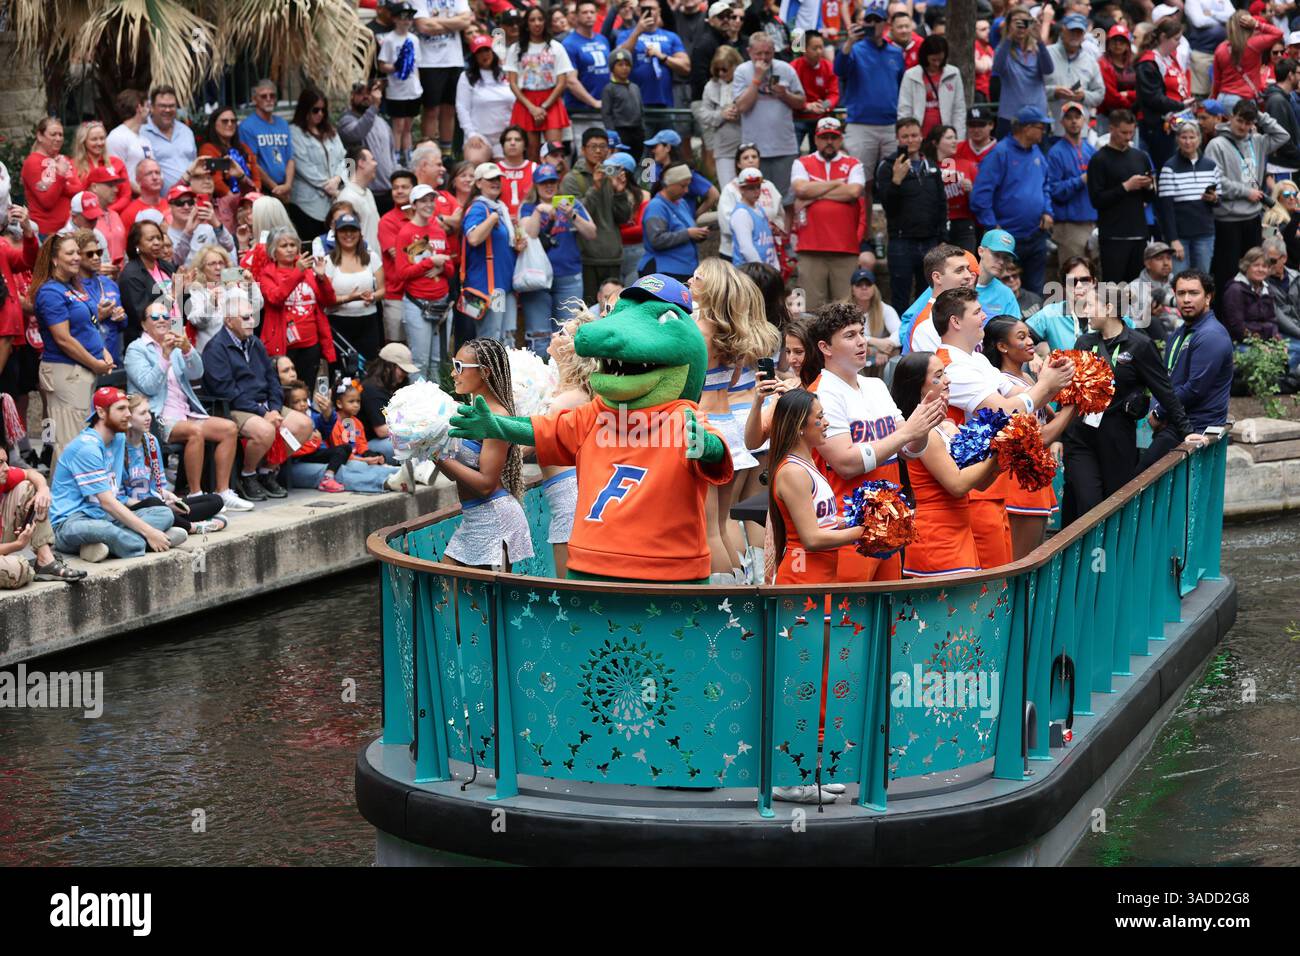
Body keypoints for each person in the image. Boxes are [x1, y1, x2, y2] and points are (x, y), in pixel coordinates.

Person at [932, 287, 1074, 567]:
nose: (984, 316)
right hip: (973, 488)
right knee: (998, 575)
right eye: (977, 312)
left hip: (991, 482)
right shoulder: (950, 365)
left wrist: (1059, 378)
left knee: (1012, 568)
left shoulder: (978, 359)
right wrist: (1047, 385)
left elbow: (1022, 398)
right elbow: (1004, 411)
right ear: (955, 322)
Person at [804, 301, 945, 583]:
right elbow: (845, 463)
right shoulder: (821, 394)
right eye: (849, 336)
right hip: (847, 526)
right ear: (825, 348)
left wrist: (924, 426)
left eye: (861, 332)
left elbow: (907, 451)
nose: (861, 341)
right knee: (850, 621)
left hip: (889, 521)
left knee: (886, 619)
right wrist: (907, 433)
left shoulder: (876, 386)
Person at [1062, 283, 1198, 524]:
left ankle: (1113, 560)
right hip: (1081, 435)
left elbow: (1164, 390)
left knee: (1115, 504)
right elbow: (1071, 393)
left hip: (1116, 435)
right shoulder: (1084, 342)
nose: (1085, 311)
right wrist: (1057, 437)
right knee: (1088, 503)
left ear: (1109, 308)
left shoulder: (1139, 344)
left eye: (1090, 305)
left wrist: (1187, 431)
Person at [691, 259, 780, 582]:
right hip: (729, 421)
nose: (690, 280)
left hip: (708, 427)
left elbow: (690, 385)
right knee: (724, 523)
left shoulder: (698, 331)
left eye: (697, 277)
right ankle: (747, 587)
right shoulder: (735, 329)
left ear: (710, 287)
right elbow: (731, 384)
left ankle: (726, 604)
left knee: (711, 526)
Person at [887, 350, 1000, 577]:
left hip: (958, 531)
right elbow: (956, 485)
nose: (947, 380)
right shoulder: (922, 432)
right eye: (938, 376)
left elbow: (979, 484)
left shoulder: (943, 426)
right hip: (937, 538)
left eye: (945, 373)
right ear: (918, 386)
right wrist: (997, 453)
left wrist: (1004, 455)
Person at [48, 386, 183, 562]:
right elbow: (108, 502)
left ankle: (106, 546)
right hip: (71, 523)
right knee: (104, 530)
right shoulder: (87, 448)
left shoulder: (118, 438)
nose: (128, 414)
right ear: (101, 413)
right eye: (121, 409)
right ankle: (145, 543)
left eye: (128, 408)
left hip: (104, 516)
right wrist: (149, 532)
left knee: (163, 513)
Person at [435, 337, 533, 570]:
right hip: (474, 518)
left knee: (486, 604)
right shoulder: (473, 411)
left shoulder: (497, 417)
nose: (452, 374)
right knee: (448, 601)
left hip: (494, 520)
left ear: (485, 372)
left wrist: (440, 455)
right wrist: (427, 446)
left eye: (459, 367)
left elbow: (486, 484)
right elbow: (456, 475)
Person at [201, 302, 314, 502]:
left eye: (252, 316)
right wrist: (263, 413)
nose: (252, 321)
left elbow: (273, 380)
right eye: (245, 318)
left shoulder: (255, 343)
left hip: (264, 405)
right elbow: (226, 391)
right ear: (228, 321)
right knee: (264, 430)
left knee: (303, 424)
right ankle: (248, 475)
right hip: (234, 407)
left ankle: (267, 470)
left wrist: (275, 408)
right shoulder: (215, 348)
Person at [982, 317, 1075, 558]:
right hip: (1019, 480)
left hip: (1035, 475)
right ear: (1002, 347)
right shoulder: (1003, 381)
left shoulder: (1029, 380)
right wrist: (1075, 406)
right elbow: (1041, 437)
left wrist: (1074, 388)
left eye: (1029, 336)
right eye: (1021, 338)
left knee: (1032, 560)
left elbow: (1052, 421)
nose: (1030, 342)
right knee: (1020, 562)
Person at [768, 387, 864, 586]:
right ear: (799, 426)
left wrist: (859, 519)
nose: (827, 423)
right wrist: (864, 532)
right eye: (820, 417)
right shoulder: (793, 472)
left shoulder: (808, 462)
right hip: (802, 578)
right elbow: (811, 538)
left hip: (821, 576)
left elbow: (824, 521)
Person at [32, 233, 112, 470]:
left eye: (78, 252)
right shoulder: (49, 292)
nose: (77, 257)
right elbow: (63, 339)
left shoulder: (73, 287)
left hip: (83, 370)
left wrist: (103, 353)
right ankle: (58, 504)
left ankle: (66, 503)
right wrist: (95, 363)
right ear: (54, 259)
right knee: (70, 444)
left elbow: (88, 325)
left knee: (78, 442)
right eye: (70, 253)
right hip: (66, 372)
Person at [1142, 269, 1232, 467]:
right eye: (1181, 293)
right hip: (1175, 421)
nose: (1186, 299)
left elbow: (1195, 388)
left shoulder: (1211, 335)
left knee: (1137, 479)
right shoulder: (1181, 331)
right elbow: (1167, 379)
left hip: (1195, 427)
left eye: (1193, 293)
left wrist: (1159, 412)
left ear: (1208, 297)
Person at [835, 2, 906, 243]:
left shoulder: (896, 52)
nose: (872, 25)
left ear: (885, 24)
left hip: (889, 124)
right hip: (860, 124)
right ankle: (861, 236)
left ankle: (895, 231)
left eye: (877, 20)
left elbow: (900, 84)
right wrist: (847, 44)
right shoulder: (854, 48)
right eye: (869, 20)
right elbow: (840, 70)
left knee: (892, 179)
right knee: (861, 182)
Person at [1205, 99, 1290, 296]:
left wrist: (1259, 114)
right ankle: (1224, 317)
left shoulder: (1257, 141)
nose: (1243, 127)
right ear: (1231, 117)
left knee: (1253, 272)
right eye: (1240, 121)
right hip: (1227, 219)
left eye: (1248, 122)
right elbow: (1216, 180)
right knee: (1227, 273)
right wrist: (1245, 192)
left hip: (1252, 218)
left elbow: (1283, 135)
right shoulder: (1217, 144)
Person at [969, 105, 1053, 296]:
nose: (1044, 131)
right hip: (1006, 240)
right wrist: (992, 225)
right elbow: (980, 196)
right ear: (1026, 128)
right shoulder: (1000, 153)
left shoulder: (1037, 152)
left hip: (1036, 234)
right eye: (1041, 127)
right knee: (1002, 291)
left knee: (1035, 293)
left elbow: (1046, 185)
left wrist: (1048, 211)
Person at [119, 392, 227, 533]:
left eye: (149, 412)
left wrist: (172, 499)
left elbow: (158, 486)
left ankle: (175, 521)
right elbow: (120, 498)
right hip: (135, 509)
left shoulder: (151, 441)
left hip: (159, 504)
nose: (148, 418)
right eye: (142, 413)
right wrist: (162, 507)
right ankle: (192, 527)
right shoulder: (119, 446)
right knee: (156, 504)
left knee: (215, 500)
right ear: (129, 417)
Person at [519, 164, 595, 353]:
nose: (549, 186)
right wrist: (538, 211)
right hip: (537, 279)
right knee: (539, 336)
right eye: (544, 182)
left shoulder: (571, 204)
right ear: (536, 185)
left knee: (567, 334)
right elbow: (530, 233)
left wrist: (572, 215)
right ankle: (541, 379)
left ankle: (565, 379)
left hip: (568, 275)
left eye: (552, 181)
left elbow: (592, 233)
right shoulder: (528, 207)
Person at [876, 117, 945, 313]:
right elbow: (887, 205)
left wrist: (942, 238)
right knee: (900, 296)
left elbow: (941, 204)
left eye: (914, 135)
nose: (910, 140)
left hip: (930, 241)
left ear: (922, 137)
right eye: (904, 136)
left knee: (930, 296)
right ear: (897, 139)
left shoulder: (931, 166)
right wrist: (896, 180)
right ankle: (900, 342)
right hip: (901, 242)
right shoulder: (887, 166)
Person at [257, 225, 338, 384]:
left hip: (311, 343)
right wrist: (297, 272)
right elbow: (275, 298)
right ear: (274, 250)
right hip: (284, 344)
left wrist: (322, 278)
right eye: (284, 246)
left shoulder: (308, 271)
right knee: (284, 391)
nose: (289, 249)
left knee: (306, 389)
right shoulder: (267, 274)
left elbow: (329, 301)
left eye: (293, 245)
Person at [561, 130, 634, 303]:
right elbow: (575, 217)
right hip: (586, 257)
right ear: (583, 149)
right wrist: (595, 186)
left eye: (603, 147)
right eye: (593, 147)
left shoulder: (611, 175)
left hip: (612, 254)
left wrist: (620, 192)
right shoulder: (572, 179)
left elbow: (623, 218)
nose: (598, 151)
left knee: (613, 307)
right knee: (589, 310)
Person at [731, 31, 805, 199]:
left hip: (784, 147)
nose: (764, 58)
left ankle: (785, 227)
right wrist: (757, 79)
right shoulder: (742, 71)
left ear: (774, 50)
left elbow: (801, 102)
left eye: (768, 53)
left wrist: (785, 94)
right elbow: (741, 106)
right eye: (759, 53)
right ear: (749, 51)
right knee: (758, 198)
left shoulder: (786, 69)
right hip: (754, 151)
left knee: (786, 199)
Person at [1085, 109, 1156, 284]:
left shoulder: (1140, 157)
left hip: (1139, 234)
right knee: (1113, 290)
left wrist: (1149, 186)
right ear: (1111, 129)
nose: (1128, 137)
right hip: (1113, 236)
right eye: (1124, 132)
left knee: (1137, 290)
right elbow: (1097, 200)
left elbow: (1150, 198)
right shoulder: (1099, 160)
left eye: (1131, 132)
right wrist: (1125, 187)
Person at [0, 445, 85, 585]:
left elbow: (31, 473)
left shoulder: (5, 474)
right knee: (19, 570)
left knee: (27, 487)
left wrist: (43, 489)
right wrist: (17, 545)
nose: (7, 468)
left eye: (5, 461)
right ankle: (26, 566)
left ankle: (45, 560)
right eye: (0, 462)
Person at [505, 6, 576, 159]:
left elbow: (562, 82)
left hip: (551, 101)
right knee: (531, 154)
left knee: (554, 153)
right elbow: (512, 83)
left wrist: (543, 107)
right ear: (526, 24)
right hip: (525, 102)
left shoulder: (556, 47)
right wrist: (532, 108)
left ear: (545, 22)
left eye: (540, 19)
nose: (537, 23)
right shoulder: (515, 49)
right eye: (532, 20)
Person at [463, 164, 521, 343]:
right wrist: (492, 219)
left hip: (503, 286)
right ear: (479, 183)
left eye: (498, 179)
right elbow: (473, 238)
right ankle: (489, 372)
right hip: (489, 288)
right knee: (491, 338)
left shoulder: (499, 208)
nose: (495, 182)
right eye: (490, 179)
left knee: (506, 337)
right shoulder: (480, 209)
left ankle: (503, 371)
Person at [612, 0, 691, 130]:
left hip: (665, 102)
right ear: (638, 11)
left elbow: (686, 67)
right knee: (640, 147)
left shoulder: (670, 36)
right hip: (635, 103)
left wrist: (663, 57)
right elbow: (620, 56)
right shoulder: (625, 35)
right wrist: (637, 31)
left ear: (659, 11)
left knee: (666, 147)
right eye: (644, 9)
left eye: (653, 9)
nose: (649, 12)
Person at [1157, 119, 1221, 275]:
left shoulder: (1211, 166)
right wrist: (1173, 239)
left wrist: (1213, 199)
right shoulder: (1169, 167)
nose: (1188, 142)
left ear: (1199, 139)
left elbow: (1219, 201)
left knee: (1203, 278)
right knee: (1180, 279)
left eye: (1192, 137)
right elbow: (1166, 208)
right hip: (1180, 236)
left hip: (1205, 233)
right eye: (1184, 137)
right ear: (1177, 139)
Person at [322, 212, 385, 365]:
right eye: (343, 230)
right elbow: (325, 299)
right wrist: (350, 298)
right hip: (338, 322)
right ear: (336, 234)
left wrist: (373, 297)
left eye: (353, 230)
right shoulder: (328, 261)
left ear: (359, 233)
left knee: (368, 367)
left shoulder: (372, 257)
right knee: (342, 369)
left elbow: (383, 290)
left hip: (368, 321)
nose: (348, 234)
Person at [1135, 19, 1195, 175]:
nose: (1178, 44)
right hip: (1157, 125)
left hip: (1176, 121)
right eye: (1176, 39)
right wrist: (1180, 105)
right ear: (1163, 37)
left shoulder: (1171, 58)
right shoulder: (1149, 63)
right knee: (1166, 170)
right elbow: (1153, 98)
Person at [287, 89, 347, 242]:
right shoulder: (294, 132)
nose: (320, 114)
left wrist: (338, 179)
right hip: (308, 205)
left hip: (334, 200)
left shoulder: (331, 131)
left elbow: (344, 159)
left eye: (323, 110)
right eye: (315, 110)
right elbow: (302, 165)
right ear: (305, 110)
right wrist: (327, 185)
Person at [412, 0, 472, 150]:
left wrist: (435, 23)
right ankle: (429, 150)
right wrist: (453, 23)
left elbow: (466, 20)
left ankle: (446, 152)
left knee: (450, 109)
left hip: (454, 59)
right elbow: (423, 26)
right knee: (431, 110)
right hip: (429, 61)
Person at [898, 242, 976, 353]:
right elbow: (942, 369)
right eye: (959, 270)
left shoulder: (966, 311)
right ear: (937, 277)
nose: (968, 276)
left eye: (967, 269)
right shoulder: (926, 324)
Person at [184, 245, 261, 352]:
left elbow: (257, 306)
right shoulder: (197, 290)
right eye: (212, 264)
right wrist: (211, 304)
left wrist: (251, 284)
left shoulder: (233, 287)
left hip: (238, 352)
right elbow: (197, 321)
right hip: (210, 354)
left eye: (221, 263)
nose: (218, 268)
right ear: (201, 269)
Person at [992, 6, 1052, 138]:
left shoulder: (1037, 49)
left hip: (1037, 116)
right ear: (1008, 25)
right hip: (1011, 117)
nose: (1020, 25)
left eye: (1025, 22)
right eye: (1016, 22)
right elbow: (997, 69)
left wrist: (1040, 41)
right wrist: (1009, 38)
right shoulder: (1003, 49)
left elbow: (1048, 69)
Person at [639, 163, 706, 280]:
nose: (686, 190)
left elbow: (687, 229)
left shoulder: (682, 203)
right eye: (682, 186)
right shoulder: (656, 206)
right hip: (665, 271)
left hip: (686, 269)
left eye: (688, 186)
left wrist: (698, 234)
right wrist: (688, 233)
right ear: (668, 184)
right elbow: (656, 240)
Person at [1043, 12, 1104, 140]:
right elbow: (1033, 89)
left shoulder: (1090, 61)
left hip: (1080, 134)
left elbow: (1100, 94)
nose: (1075, 35)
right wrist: (1054, 92)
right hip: (1050, 130)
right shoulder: (1046, 54)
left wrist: (1084, 96)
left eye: (1079, 32)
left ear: (1084, 35)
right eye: (1071, 31)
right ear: (1062, 31)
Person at [456, 34, 517, 162]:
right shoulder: (466, 77)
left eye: (487, 50)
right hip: (479, 135)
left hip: (506, 135)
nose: (484, 55)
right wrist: (471, 134)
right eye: (479, 52)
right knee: (475, 162)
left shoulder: (507, 73)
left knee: (505, 171)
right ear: (474, 56)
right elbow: (462, 107)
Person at [719, 145, 786, 261]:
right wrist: (755, 233)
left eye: (754, 157)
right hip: (735, 253)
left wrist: (775, 228)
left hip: (767, 251)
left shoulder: (769, 186)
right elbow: (726, 225)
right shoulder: (729, 189)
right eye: (745, 158)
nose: (751, 160)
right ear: (738, 164)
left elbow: (780, 215)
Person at [377, 4, 424, 166]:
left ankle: (408, 154)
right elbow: (383, 65)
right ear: (395, 19)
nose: (406, 21)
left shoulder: (414, 39)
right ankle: (396, 156)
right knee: (398, 125)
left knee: (408, 127)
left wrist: (418, 84)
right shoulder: (390, 40)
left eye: (409, 18)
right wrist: (396, 67)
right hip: (397, 89)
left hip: (412, 89)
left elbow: (416, 65)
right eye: (403, 17)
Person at [117, 218, 176, 344]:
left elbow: (181, 305)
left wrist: (185, 288)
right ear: (137, 244)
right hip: (147, 343)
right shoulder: (131, 275)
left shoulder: (166, 266)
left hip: (174, 334)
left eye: (159, 238)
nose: (157, 243)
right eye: (150, 239)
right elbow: (142, 316)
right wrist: (173, 296)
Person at [897, 34, 965, 141]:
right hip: (918, 135)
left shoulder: (954, 73)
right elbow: (904, 108)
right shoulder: (911, 75)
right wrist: (907, 137)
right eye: (933, 60)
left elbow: (959, 109)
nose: (937, 64)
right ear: (925, 56)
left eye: (940, 60)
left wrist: (959, 138)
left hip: (945, 136)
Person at [73, 229, 126, 366]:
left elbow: (123, 326)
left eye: (99, 252)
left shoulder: (109, 283)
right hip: (88, 362)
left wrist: (121, 316)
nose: (96, 257)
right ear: (77, 256)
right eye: (90, 254)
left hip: (115, 359)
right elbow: (71, 330)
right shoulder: (70, 287)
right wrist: (98, 316)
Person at [563, 0, 614, 141]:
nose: (589, 15)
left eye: (592, 12)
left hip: (605, 110)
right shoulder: (569, 43)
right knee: (584, 155)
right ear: (576, 16)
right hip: (581, 110)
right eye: (585, 12)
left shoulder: (602, 39)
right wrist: (594, 102)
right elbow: (570, 81)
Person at [23, 118, 81, 239]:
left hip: (71, 229)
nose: (58, 138)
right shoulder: (33, 162)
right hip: (47, 233)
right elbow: (47, 201)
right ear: (40, 136)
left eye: (61, 134)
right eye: (53, 134)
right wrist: (61, 176)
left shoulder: (63, 159)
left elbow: (79, 190)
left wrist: (59, 187)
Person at [1212, 11, 1282, 111]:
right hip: (1243, 102)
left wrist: (1213, 101)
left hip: (1222, 99)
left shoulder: (1220, 48)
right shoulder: (1253, 44)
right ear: (1248, 26)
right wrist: (1257, 24)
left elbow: (1217, 81)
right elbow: (1278, 33)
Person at [239, 79, 295, 204]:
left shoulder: (282, 123)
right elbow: (252, 162)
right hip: (264, 189)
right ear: (254, 100)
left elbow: (290, 158)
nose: (269, 99)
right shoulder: (247, 126)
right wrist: (275, 188)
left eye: (272, 95)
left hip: (285, 188)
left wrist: (288, 185)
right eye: (264, 96)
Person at [360, 342, 417, 463]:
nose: (405, 374)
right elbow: (381, 430)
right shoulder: (372, 390)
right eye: (402, 370)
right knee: (409, 444)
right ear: (388, 366)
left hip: (392, 435)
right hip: (370, 442)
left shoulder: (395, 384)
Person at [377, 169, 416, 344]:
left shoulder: (425, 217)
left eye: (404, 187)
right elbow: (399, 256)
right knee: (396, 349)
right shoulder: (387, 221)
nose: (399, 191)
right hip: (396, 295)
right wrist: (427, 247)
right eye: (395, 188)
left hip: (422, 293)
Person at [929, 124, 978, 253]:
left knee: (966, 265)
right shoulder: (928, 167)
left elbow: (979, 201)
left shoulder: (967, 165)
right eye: (949, 138)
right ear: (935, 143)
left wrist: (971, 191)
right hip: (937, 224)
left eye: (955, 137)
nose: (954, 141)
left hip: (964, 224)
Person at [700, 46, 744, 185]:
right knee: (728, 190)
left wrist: (740, 110)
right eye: (717, 69)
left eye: (724, 69)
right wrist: (721, 114)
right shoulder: (710, 86)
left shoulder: (745, 83)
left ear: (735, 66)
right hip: (724, 148)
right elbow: (704, 116)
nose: (720, 73)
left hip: (747, 146)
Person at [140, 87, 197, 193]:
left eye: (171, 106)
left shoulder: (186, 132)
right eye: (162, 106)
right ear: (151, 107)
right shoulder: (142, 133)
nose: (167, 110)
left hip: (189, 200)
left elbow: (194, 164)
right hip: (160, 203)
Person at [1219, 245, 1280, 343]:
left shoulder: (1266, 289)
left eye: (1264, 266)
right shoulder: (1235, 290)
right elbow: (1237, 327)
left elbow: (1272, 320)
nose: (1260, 269)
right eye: (1256, 265)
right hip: (1239, 342)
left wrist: (1275, 338)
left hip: (1264, 340)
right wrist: (1262, 341)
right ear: (1246, 266)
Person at [71, 120, 131, 217]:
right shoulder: (74, 165)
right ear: (83, 141)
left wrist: (107, 211)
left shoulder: (117, 163)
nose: (99, 143)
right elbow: (76, 195)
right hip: (85, 218)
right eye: (94, 139)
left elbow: (126, 196)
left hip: (114, 216)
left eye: (102, 138)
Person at [848, 267, 899, 378]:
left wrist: (885, 349)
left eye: (868, 284)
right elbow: (844, 335)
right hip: (854, 351)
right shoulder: (845, 309)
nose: (864, 288)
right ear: (852, 289)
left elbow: (900, 333)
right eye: (859, 285)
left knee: (896, 351)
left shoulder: (884, 308)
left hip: (879, 355)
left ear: (874, 287)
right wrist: (875, 342)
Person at [1128, 241, 1180, 340]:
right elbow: (1127, 322)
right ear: (1147, 264)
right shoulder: (1134, 287)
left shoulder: (1179, 283)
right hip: (1154, 338)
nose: (1166, 263)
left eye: (1168, 258)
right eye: (1159, 259)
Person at [727, 167, 778, 268]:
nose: (756, 191)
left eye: (758, 187)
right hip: (751, 272)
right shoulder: (741, 214)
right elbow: (746, 249)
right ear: (741, 189)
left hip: (766, 269)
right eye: (751, 188)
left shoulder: (759, 209)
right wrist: (762, 271)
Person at [105, 89, 154, 193]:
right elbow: (115, 173)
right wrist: (141, 192)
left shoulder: (145, 140)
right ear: (139, 108)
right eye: (147, 106)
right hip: (128, 199)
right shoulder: (117, 137)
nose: (150, 111)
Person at [601, 49, 645, 163]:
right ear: (612, 68)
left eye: (627, 65)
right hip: (620, 131)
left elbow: (641, 110)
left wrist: (642, 128)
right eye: (620, 65)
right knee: (620, 162)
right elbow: (606, 113)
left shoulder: (635, 87)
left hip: (637, 131)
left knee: (637, 160)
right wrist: (612, 133)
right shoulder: (609, 88)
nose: (624, 68)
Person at [1186, 0, 1234, 97]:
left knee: (1223, 92)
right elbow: (1199, 21)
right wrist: (1223, 21)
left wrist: (1212, 13)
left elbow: (1233, 16)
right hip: (1203, 53)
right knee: (1202, 94)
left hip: (1225, 53)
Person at [496, 126, 538, 220]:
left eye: (518, 140)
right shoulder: (494, 170)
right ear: (502, 146)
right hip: (501, 223)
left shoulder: (535, 168)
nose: (512, 143)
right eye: (508, 140)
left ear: (525, 146)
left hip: (529, 223)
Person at [121, 159, 169, 231]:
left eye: (157, 173)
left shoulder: (172, 205)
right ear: (138, 180)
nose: (155, 177)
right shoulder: (129, 213)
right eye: (149, 174)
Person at [956, 104, 998, 170]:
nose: (976, 130)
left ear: (991, 125)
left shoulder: (1002, 152)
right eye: (972, 125)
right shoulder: (957, 149)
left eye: (981, 125)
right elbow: (948, 178)